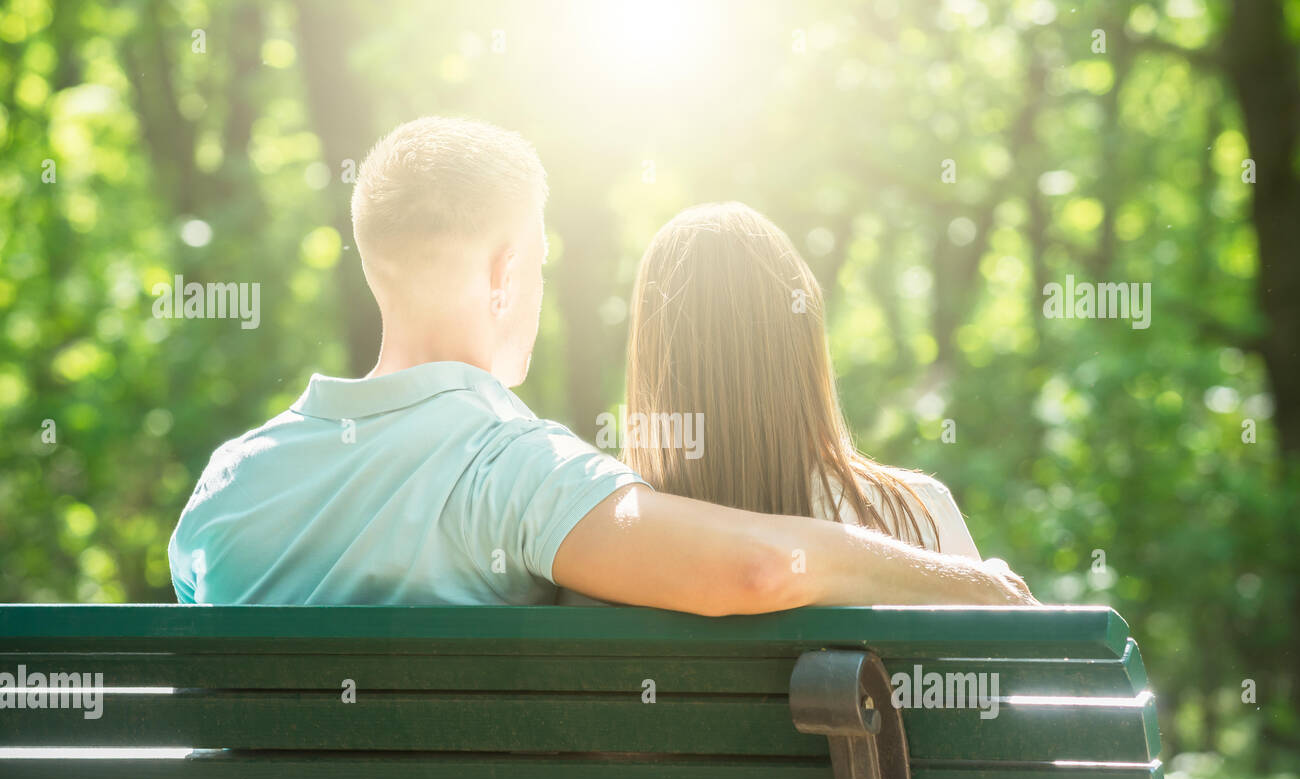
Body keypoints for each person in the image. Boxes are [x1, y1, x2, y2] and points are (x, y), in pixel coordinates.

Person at [168, 116, 1036, 615]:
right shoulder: (517, 472)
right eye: (543, 262)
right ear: (506, 269)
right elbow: (758, 568)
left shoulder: (229, 485)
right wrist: (975, 583)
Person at [614, 200, 1022, 779]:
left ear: (651, 354)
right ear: (804, 345)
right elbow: (994, 763)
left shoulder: (610, 543)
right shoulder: (915, 515)